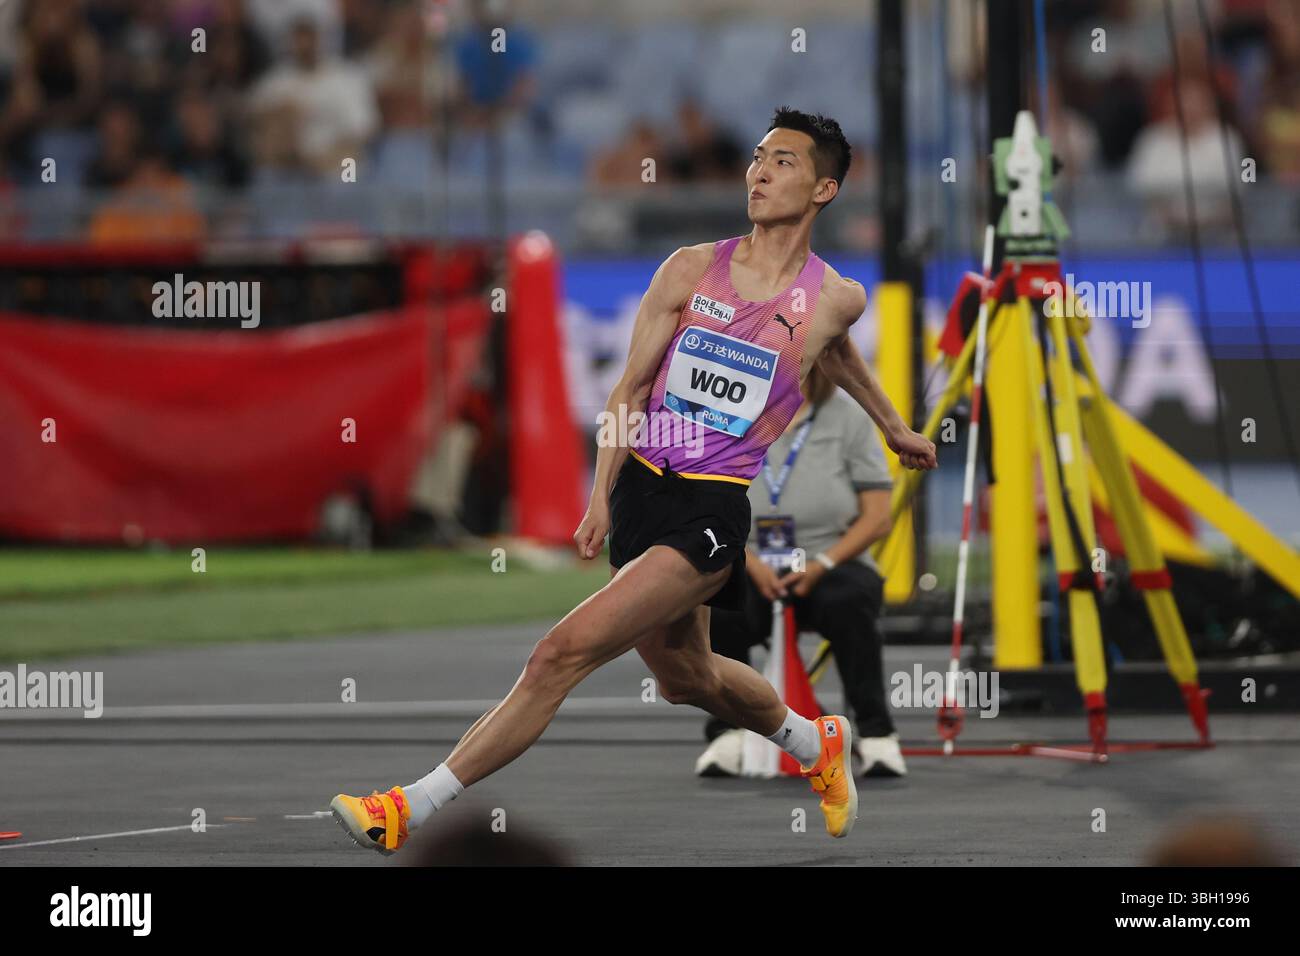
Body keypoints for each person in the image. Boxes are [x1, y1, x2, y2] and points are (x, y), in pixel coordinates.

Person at [329, 107, 937, 854]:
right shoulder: (690, 269)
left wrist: (892, 426)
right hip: (640, 492)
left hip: (710, 513)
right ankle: (817, 743)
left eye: (782, 161)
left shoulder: (834, 296)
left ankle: (409, 808)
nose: (759, 171)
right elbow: (629, 391)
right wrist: (597, 497)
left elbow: (833, 352)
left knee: (560, 654)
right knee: (691, 680)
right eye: (756, 157)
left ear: (824, 188)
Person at [694, 362, 905, 779]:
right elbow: (706, 507)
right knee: (717, 601)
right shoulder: (728, 416)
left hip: (829, 559)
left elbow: (878, 517)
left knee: (851, 600)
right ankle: (728, 731)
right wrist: (749, 563)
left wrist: (822, 564)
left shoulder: (849, 419)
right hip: (748, 558)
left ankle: (878, 735)